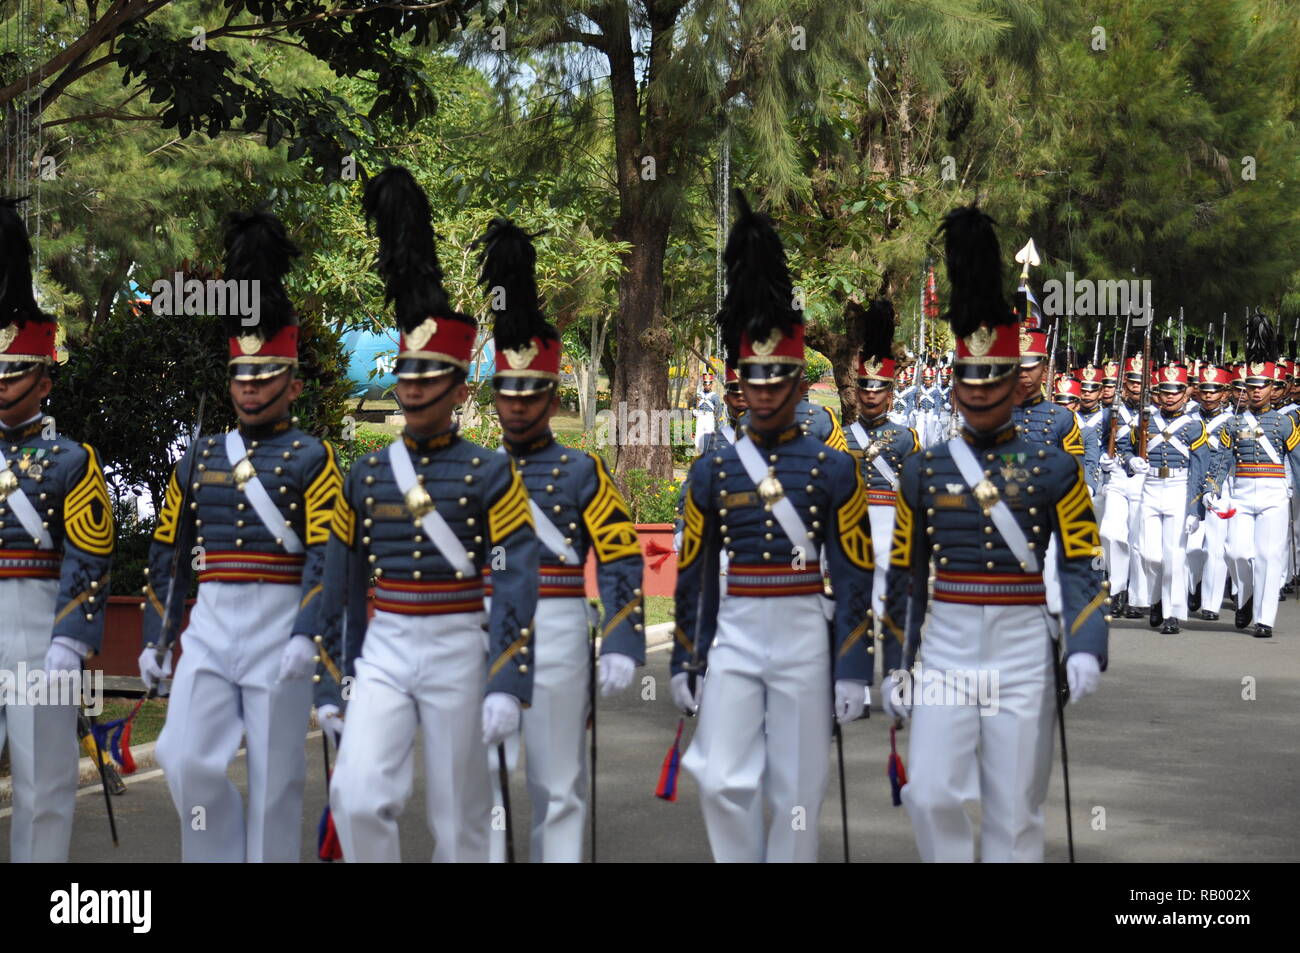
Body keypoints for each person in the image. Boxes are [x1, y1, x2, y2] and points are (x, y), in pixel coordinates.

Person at [318, 168, 539, 861]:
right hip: (384, 649)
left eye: (429, 376)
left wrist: (507, 676)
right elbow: (340, 581)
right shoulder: (366, 473)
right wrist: (332, 672)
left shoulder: (490, 471)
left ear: (460, 385)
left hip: (457, 646)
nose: (413, 388)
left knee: (464, 825)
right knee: (355, 794)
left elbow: (515, 580)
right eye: (406, 374)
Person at [881, 204, 1107, 864]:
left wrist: (1087, 640)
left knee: (1013, 813)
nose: (980, 389)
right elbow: (904, 576)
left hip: (1021, 643)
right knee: (927, 793)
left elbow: (1081, 562)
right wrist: (898, 659)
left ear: (1018, 381)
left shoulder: (1057, 466)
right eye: (968, 375)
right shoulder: (923, 471)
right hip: (946, 641)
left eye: (995, 375)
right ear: (952, 383)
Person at [671, 191, 875, 862]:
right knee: (719, 778)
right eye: (751, 377)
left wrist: (852, 668)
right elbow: (693, 574)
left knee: (795, 797)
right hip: (732, 635)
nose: (762, 389)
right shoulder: (710, 471)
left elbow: (853, 578)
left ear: (797, 381)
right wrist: (684, 655)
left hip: (801, 636)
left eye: (776, 377)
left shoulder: (834, 469)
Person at [140, 211, 341, 862]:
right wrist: (155, 637)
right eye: (241, 376)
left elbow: (327, 557)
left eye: (264, 377)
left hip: (281, 624)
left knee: (277, 786)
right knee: (182, 756)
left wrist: (311, 634)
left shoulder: (314, 458)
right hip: (213, 620)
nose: (250, 389)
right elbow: (168, 551)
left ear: (293, 383)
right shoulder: (198, 457)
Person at [478, 218, 645, 862]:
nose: (518, 403)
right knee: (484, 782)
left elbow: (623, 555)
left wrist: (626, 635)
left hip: (560, 630)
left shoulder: (582, 472)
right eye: (508, 390)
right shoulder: (470, 471)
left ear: (552, 397)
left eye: (532, 391)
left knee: (560, 785)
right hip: (486, 627)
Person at [0, 197, 114, 863]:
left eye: (15, 370)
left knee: (43, 786)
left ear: (45, 378)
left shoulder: (72, 460)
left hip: (42, 625)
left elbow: (90, 557)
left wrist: (72, 637)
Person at [842, 297, 919, 683]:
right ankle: (853, 681)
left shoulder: (906, 438)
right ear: (857, 392)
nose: (871, 395)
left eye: (879, 390)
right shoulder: (841, 438)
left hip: (891, 524)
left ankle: (898, 673)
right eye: (865, 389)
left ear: (890, 394)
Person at [1218, 314, 1300, 638]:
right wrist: (1212, 486)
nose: (1255, 391)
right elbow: (1222, 458)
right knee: (1236, 551)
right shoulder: (1234, 421)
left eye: (1262, 385)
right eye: (1250, 385)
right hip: (1240, 491)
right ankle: (1247, 594)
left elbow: (1296, 459)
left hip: (1273, 491)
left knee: (1268, 555)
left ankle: (1264, 619)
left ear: (1273, 387)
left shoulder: (1283, 423)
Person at [1113, 360, 1208, 634]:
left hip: (1179, 486)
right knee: (1151, 555)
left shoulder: (1194, 425)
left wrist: (1194, 508)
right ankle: (1155, 599)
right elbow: (1124, 446)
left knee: (1174, 556)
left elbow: (1200, 468)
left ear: (1186, 392)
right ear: (1157, 392)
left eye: (1176, 390)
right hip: (1151, 485)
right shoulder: (1145, 420)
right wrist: (1131, 462)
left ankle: (1172, 613)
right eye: (1165, 390)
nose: (1170, 396)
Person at [1186, 363, 1233, 620]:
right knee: (1191, 544)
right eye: (1204, 389)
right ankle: (1193, 586)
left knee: (1215, 546)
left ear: (1225, 393)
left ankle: (1211, 604)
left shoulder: (1233, 421)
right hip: (1191, 484)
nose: (1208, 395)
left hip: (1220, 486)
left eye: (1214, 390)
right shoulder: (1188, 418)